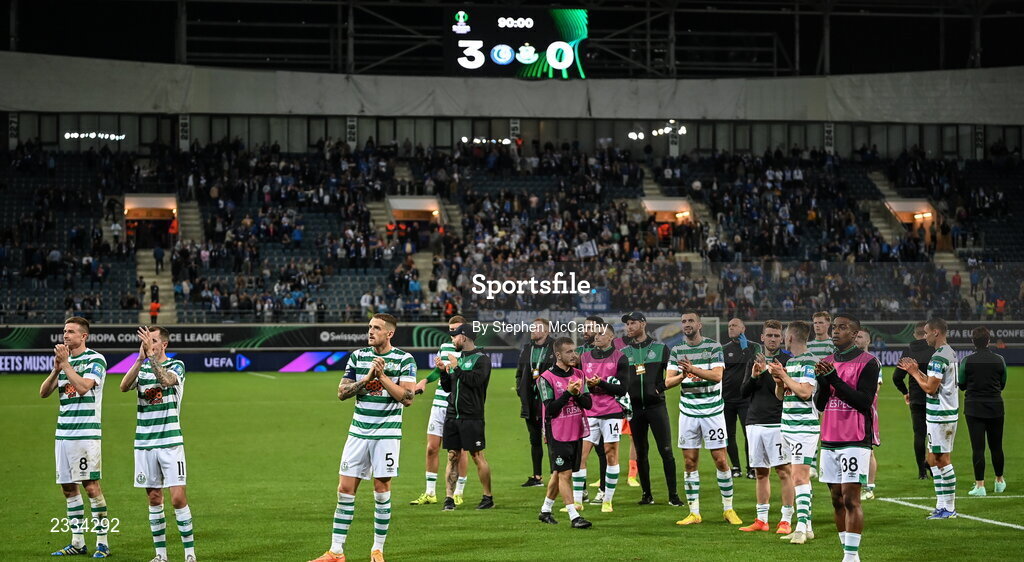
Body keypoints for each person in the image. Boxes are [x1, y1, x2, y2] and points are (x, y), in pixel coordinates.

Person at [308, 313, 416, 562]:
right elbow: (342, 392)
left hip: (386, 435)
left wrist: (383, 377)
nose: (370, 331)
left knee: (381, 490)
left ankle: (377, 550)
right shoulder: (358, 356)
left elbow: (408, 398)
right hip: (358, 433)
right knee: (344, 489)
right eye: (369, 327)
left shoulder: (404, 359)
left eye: (376, 328)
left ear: (389, 333)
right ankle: (336, 552)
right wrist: (367, 379)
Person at [120, 326, 195, 562]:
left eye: (152, 340)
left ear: (164, 345)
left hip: (171, 442)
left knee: (177, 499)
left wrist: (151, 358)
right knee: (154, 498)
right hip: (144, 443)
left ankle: (190, 555)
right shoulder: (141, 368)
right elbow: (123, 386)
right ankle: (161, 556)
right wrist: (140, 359)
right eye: (145, 340)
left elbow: (165, 381)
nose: (147, 343)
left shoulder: (177, 366)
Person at [39, 317, 111, 557]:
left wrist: (66, 365)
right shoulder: (63, 363)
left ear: (84, 336)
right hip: (63, 433)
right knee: (68, 488)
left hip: (86, 434)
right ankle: (78, 542)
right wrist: (56, 369)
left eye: (70, 332)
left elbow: (83, 387)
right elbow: (43, 393)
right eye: (64, 331)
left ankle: (103, 542)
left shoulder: (95, 359)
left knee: (90, 486)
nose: (65, 335)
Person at [814, 314, 881, 562]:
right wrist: (822, 381)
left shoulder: (869, 363)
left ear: (855, 334)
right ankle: (846, 551)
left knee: (851, 498)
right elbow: (820, 404)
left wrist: (832, 378)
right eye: (834, 327)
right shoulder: (826, 361)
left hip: (855, 438)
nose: (835, 331)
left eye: (842, 328)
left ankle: (852, 557)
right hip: (830, 437)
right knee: (836, 499)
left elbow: (864, 402)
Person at [666, 312, 743, 526]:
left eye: (691, 321)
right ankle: (694, 513)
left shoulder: (713, 347)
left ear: (699, 324)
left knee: (720, 460)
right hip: (688, 414)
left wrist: (692, 370)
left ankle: (728, 509)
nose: (687, 324)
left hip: (713, 413)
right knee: (690, 462)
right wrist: (683, 375)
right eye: (683, 322)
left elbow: (717, 376)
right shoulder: (677, 350)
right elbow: (668, 382)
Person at [899, 317, 959, 520]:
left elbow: (930, 389)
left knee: (942, 459)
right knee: (933, 459)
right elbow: (934, 384)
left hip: (942, 416)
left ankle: (949, 508)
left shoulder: (939, 357)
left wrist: (915, 373)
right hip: (938, 414)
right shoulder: (946, 353)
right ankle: (941, 505)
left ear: (936, 332)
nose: (923, 337)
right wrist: (915, 372)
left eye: (926, 333)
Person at [739, 320, 795, 534]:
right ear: (762, 337)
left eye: (776, 336)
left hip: (778, 423)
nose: (772, 339)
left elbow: (788, 393)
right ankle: (761, 519)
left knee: (783, 472)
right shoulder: (753, 360)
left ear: (782, 338)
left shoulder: (788, 360)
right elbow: (743, 392)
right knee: (760, 472)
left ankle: (786, 519)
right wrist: (755, 375)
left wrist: (776, 376)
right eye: (769, 335)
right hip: (754, 423)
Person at [620, 311, 681, 506]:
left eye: (632, 323)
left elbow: (674, 374)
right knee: (641, 452)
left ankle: (673, 496)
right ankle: (647, 495)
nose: (629, 327)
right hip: (635, 410)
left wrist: (660, 388)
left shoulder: (661, 349)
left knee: (666, 451)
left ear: (643, 324)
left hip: (656, 407)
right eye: (627, 324)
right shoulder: (623, 353)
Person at [410, 316, 469, 506]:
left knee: (459, 451)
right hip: (438, 404)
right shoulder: (445, 347)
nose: (452, 332)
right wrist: (426, 380)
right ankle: (430, 492)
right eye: (450, 329)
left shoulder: (470, 351)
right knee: (431, 448)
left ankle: (458, 492)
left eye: (456, 329)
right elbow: (439, 371)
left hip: (458, 405)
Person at [536, 337, 593, 529]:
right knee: (565, 474)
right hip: (557, 432)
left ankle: (545, 510)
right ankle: (574, 516)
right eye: (569, 352)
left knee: (558, 473)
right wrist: (568, 393)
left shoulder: (579, 374)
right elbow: (550, 408)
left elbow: (588, 403)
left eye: (574, 351)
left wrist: (577, 394)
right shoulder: (545, 378)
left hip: (575, 430)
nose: (574, 355)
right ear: (558, 355)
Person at [439, 323, 494, 511]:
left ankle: (488, 497)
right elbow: (448, 387)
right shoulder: (458, 359)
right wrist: (443, 371)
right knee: (452, 456)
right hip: (452, 415)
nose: (452, 340)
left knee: (477, 456)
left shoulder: (482, 359)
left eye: (454, 336)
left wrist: (457, 368)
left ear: (463, 337)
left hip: (472, 416)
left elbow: (476, 382)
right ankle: (449, 498)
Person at [774, 320, 819, 544]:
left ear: (791, 338)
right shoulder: (790, 363)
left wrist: (784, 377)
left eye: (784, 335)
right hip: (788, 426)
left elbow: (805, 392)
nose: (783, 338)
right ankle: (807, 526)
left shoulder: (810, 362)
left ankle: (800, 528)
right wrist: (780, 381)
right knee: (797, 477)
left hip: (804, 429)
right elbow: (781, 396)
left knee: (800, 476)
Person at [578, 323, 630, 512]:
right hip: (590, 411)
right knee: (581, 456)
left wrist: (601, 383)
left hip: (612, 412)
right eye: (596, 334)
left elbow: (623, 389)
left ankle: (607, 500)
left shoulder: (620, 358)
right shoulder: (584, 358)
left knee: (610, 454)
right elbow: (579, 383)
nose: (596, 336)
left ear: (611, 338)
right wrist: (590, 387)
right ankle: (577, 502)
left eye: (601, 334)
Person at [959, 327, 1008, 496]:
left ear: (973, 341)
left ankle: (980, 485)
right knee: (997, 446)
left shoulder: (966, 360)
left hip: (974, 407)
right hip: (995, 406)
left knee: (978, 448)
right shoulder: (999, 359)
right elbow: (1003, 383)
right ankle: (999, 481)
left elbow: (962, 384)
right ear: (988, 341)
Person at [892, 322, 935, 479]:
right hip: (933, 397)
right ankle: (933, 467)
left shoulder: (908, 351)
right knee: (934, 434)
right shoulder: (934, 349)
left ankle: (921, 472)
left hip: (916, 398)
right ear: (926, 333)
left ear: (914, 334)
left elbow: (897, 377)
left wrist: (905, 392)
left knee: (919, 434)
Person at [515, 318, 555, 488]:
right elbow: (519, 373)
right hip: (530, 402)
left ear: (546, 331)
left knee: (553, 440)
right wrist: (520, 390)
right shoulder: (527, 349)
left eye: (537, 328)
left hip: (548, 402)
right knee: (534, 440)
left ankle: (556, 474)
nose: (533, 330)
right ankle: (537, 476)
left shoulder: (555, 347)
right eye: (532, 328)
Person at [723, 318, 759, 480]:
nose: (731, 328)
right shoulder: (723, 349)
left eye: (734, 325)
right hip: (727, 398)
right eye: (729, 326)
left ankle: (751, 467)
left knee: (748, 434)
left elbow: (756, 365)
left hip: (746, 398)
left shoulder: (754, 347)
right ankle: (735, 467)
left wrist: (745, 351)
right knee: (729, 434)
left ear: (743, 328)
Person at [854, 329, 881, 501]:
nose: (857, 339)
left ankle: (869, 487)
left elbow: (876, 387)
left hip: (867, 412)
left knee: (868, 450)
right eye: (855, 336)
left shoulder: (873, 361)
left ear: (869, 340)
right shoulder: (851, 360)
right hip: (851, 411)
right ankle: (856, 484)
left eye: (860, 336)